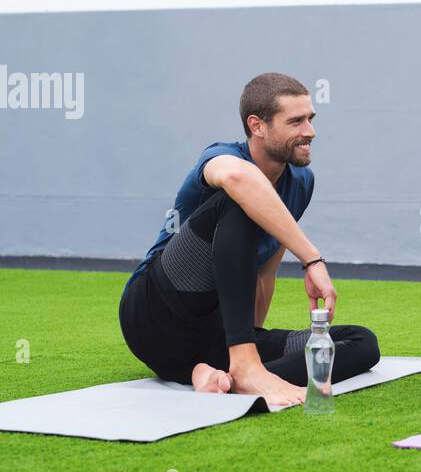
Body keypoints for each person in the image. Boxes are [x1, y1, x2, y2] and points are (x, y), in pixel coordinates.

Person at [119, 72, 379, 404]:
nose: (310, 131)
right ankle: (242, 365)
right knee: (238, 198)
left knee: (361, 343)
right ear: (256, 125)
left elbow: (264, 273)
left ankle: (217, 372)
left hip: (211, 335)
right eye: (296, 121)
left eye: (310, 119)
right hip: (154, 313)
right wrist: (312, 259)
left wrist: (251, 338)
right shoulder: (222, 157)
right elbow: (236, 178)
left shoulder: (300, 182)